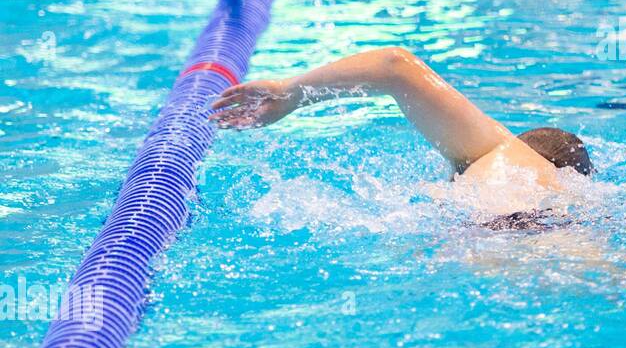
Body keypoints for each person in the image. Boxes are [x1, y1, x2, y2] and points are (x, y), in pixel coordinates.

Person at [209, 47, 592, 227]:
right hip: (553, 233)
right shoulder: (566, 194)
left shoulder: (493, 147)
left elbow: (394, 65)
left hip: (488, 231)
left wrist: (288, 92)